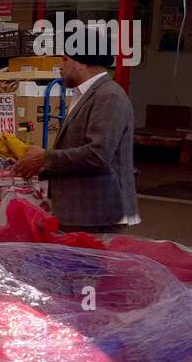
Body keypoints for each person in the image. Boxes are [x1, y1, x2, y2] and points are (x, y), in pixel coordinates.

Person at [14, 48, 138, 233]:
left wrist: (45, 158)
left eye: (65, 59)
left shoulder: (109, 95)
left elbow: (98, 154)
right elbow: (78, 148)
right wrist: (39, 165)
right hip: (79, 214)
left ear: (81, 63)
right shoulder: (84, 94)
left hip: (95, 215)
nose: (59, 65)